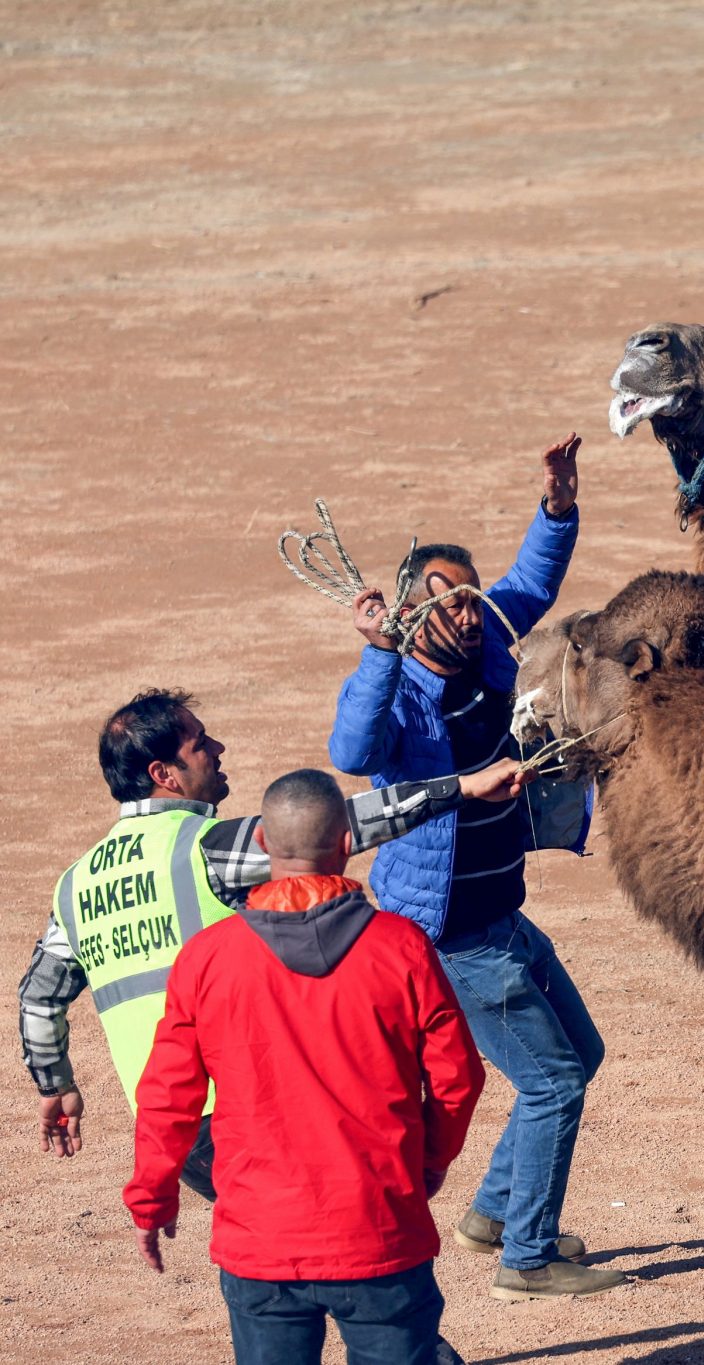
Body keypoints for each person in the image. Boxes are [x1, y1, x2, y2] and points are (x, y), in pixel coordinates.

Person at [328, 434, 621, 1301]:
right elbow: (349, 749)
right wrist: (379, 653)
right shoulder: (402, 699)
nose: (466, 608)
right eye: (445, 598)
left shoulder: (489, 644)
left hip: (501, 916)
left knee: (582, 1052)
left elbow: (532, 580)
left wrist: (557, 502)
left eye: (468, 592)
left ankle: (497, 1210)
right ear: (413, 615)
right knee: (553, 1081)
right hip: (452, 935)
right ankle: (527, 1257)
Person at [21, 687, 522, 1179]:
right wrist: (461, 788)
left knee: (270, 1249)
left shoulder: (75, 883)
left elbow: (39, 999)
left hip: (174, 1130)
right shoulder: (201, 847)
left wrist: (55, 1085)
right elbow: (324, 825)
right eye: (200, 743)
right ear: (163, 775)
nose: (217, 749)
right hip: (252, 1109)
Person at [126, 770, 485, 1365]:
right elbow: (457, 1078)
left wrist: (152, 1197)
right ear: (347, 843)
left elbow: (167, 1095)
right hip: (379, 1229)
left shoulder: (206, 959)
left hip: (261, 1242)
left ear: (262, 842)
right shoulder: (401, 948)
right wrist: (426, 1164)